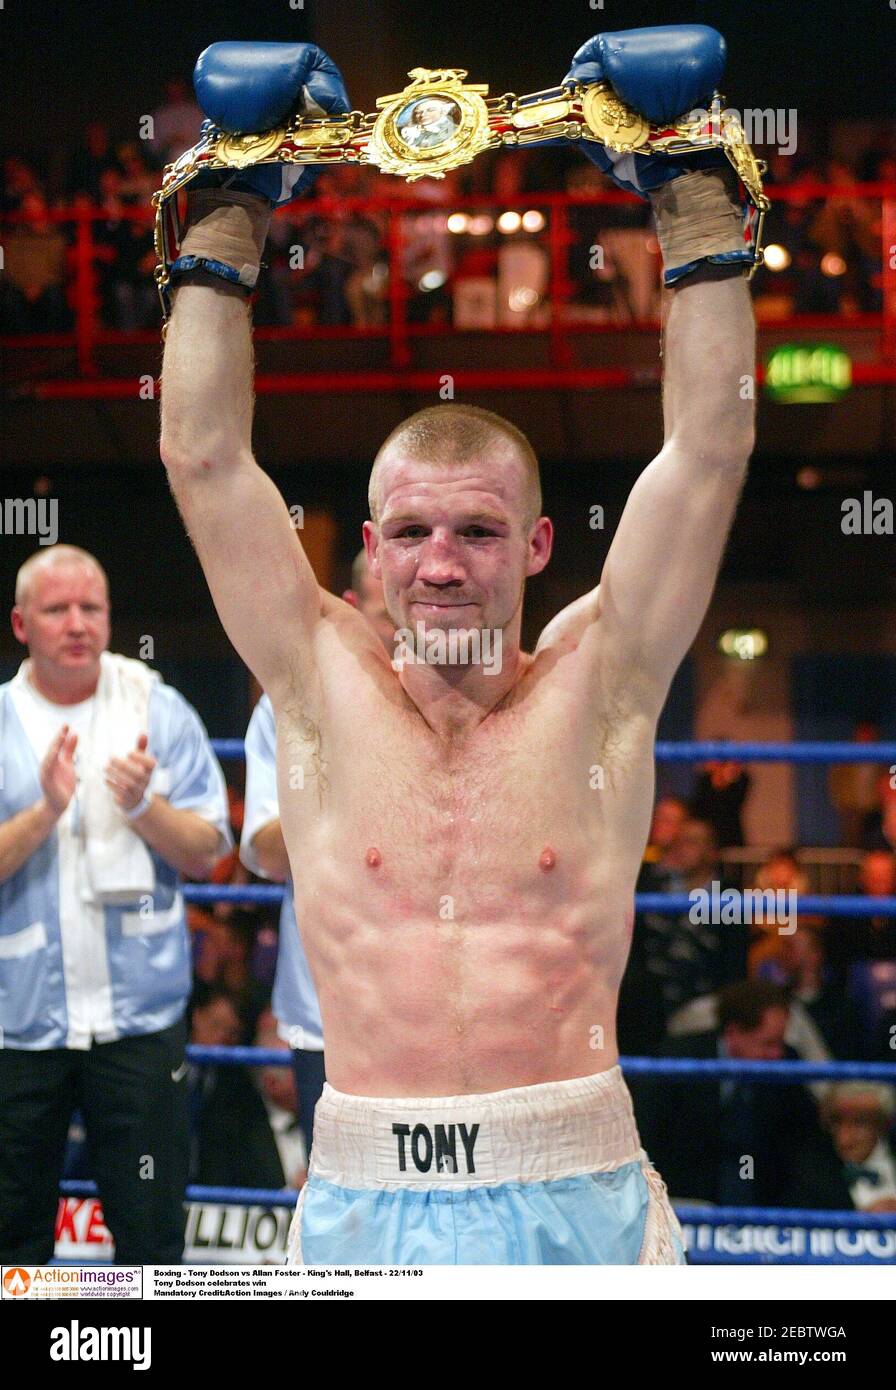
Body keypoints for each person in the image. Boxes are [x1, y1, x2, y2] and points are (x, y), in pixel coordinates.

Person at [158, 27, 759, 1266]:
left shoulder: (603, 681)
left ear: (538, 546)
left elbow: (707, 448)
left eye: (478, 530)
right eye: (414, 532)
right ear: (370, 551)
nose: (442, 563)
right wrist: (225, 217)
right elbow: (201, 457)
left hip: (574, 1181)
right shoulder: (318, 683)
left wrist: (692, 198)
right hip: (365, 1185)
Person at [0, 545, 232, 1264]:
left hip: (139, 1022)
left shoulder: (155, 708)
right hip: (18, 1026)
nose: (77, 623)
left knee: (151, 1230)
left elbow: (209, 852)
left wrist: (141, 806)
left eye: (91, 608)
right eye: (57, 608)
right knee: (13, 1233)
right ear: (20, 623)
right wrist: (44, 813)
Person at [239, 554, 394, 1167]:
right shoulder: (293, 708)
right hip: (329, 1020)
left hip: (452, 1015)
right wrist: (346, 787)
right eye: (389, 614)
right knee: (342, 1217)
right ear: (353, 612)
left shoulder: (470, 697)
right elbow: (267, 853)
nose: (407, 630)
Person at [638, 982, 853, 1209]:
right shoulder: (678, 1063)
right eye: (768, 1043)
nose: (777, 1053)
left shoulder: (787, 1066)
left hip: (760, 1208)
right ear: (733, 1033)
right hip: (683, 1202)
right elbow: (646, 1139)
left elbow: (807, 1148)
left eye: (781, 1042)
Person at [822, 1083, 896, 1213]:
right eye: (837, 1122)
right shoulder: (815, 1173)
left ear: (881, 1124)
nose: (844, 1137)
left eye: (859, 1122)